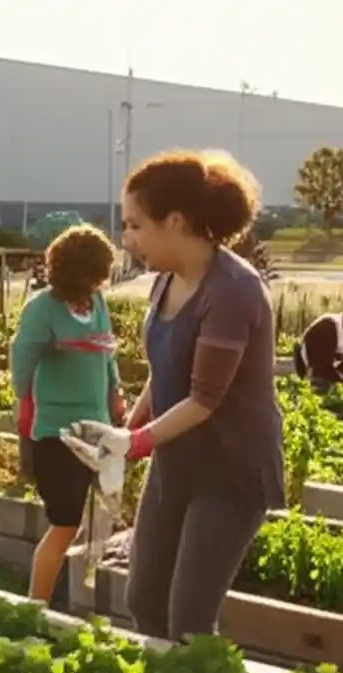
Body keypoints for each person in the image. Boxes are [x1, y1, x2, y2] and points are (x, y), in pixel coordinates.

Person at [77, 150, 284, 643]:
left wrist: (136, 444)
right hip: (179, 462)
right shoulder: (166, 280)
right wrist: (127, 433)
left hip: (231, 471)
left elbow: (203, 399)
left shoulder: (232, 291)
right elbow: (165, 371)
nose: (127, 239)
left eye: (135, 225)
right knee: (143, 598)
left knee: (190, 619)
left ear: (175, 221)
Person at [10, 223, 124, 603]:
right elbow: (23, 361)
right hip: (58, 433)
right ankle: (34, 605)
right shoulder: (42, 309)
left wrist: (115, 391)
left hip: (98, 428)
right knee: (64, 523)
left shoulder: (97, 304)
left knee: (97, 517)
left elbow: (107, 352)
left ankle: (77, 597)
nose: (98, 281)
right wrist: (24, 410)